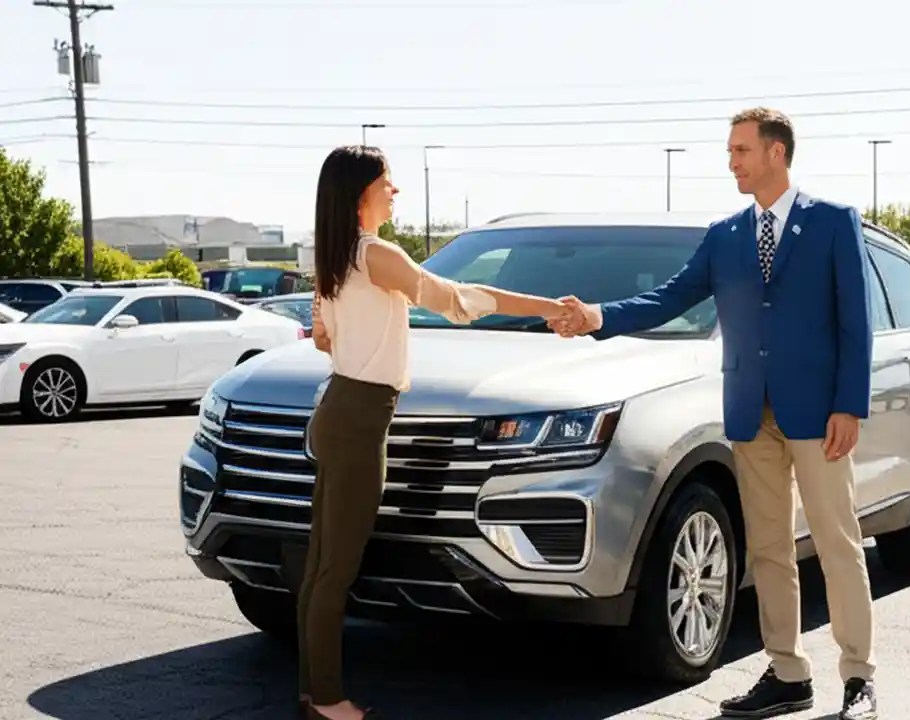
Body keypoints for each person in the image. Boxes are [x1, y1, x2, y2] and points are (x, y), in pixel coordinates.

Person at [550, 108, 879, 720]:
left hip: (818, 415)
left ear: (776, 153)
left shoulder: (834, 223)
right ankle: (787, 673)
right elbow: (670, 296)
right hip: (750, 412)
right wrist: (598, 316)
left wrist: (848, 404)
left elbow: (855, 321)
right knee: (770, 548)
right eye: (731, 151)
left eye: (740, 150)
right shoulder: (725, 234)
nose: (731, 161)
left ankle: (858, 679)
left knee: (837, 542)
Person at [300, 145, 569, 720]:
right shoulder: (376, 254)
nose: (395, 191)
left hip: (338, 410)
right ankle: (326, 701)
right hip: (360, 417)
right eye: (387, 182)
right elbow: (455, 302)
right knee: (337, 569)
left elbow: (323, 340)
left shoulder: (332, 259)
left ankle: (314, 688)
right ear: (361, 194)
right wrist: (546, 306)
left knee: (322, 563)